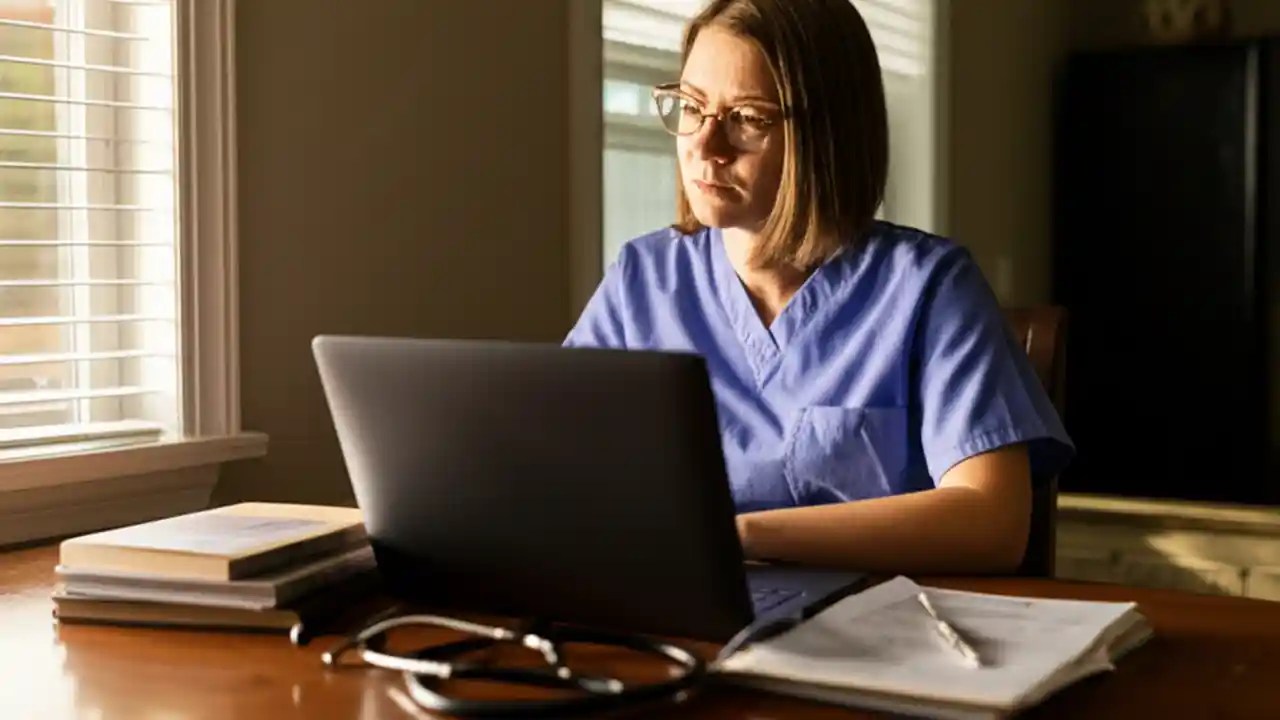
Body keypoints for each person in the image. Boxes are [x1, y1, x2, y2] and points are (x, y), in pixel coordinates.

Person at [565, 0, 1073, 575]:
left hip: (885, 631)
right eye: (691, 107)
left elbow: (991, 523)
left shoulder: (928, 288)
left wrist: (742, 536)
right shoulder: (643, 280)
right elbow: (556, 468)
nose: (705, 147)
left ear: (827, 134)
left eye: (748, 119)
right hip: (682, 615)